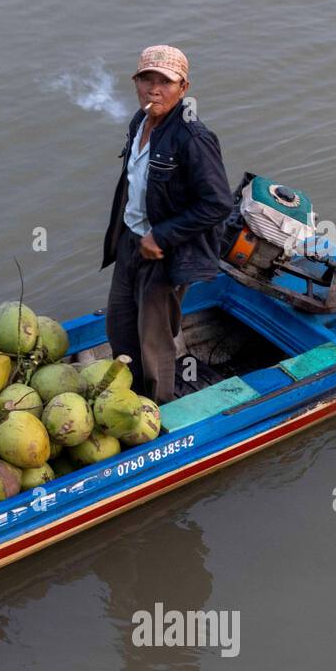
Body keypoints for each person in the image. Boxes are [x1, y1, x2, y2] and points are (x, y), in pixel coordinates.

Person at [101, 45, 233, 404]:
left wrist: (162, 234)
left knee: (154, 341)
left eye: (166, 82)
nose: (154, 89)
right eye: (147, 79)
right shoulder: (139, 122)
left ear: (183, 88)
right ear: (135, 83)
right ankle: (125, 399)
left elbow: (218, 203)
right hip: (132, 241)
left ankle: (156, 413)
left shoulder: (193, 138)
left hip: (164, 252)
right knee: (119, 325)